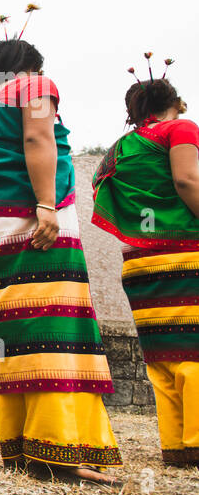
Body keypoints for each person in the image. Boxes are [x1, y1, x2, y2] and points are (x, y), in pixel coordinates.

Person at [0, 36, 119, 483]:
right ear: (28, 65)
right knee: (56, 331)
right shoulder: (33, 86)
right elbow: (38, 137)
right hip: (35, 224)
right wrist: (46, 204)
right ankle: (60, 450)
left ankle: (25, 448)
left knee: (17, 335)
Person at [92, 64, 199, 466]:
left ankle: (177, 445)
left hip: (139, 263)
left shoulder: (120, 148)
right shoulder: (180, 129)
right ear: (174, 103)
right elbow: (187, 181)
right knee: (193, 350)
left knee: (164, 356)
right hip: (185, 255)